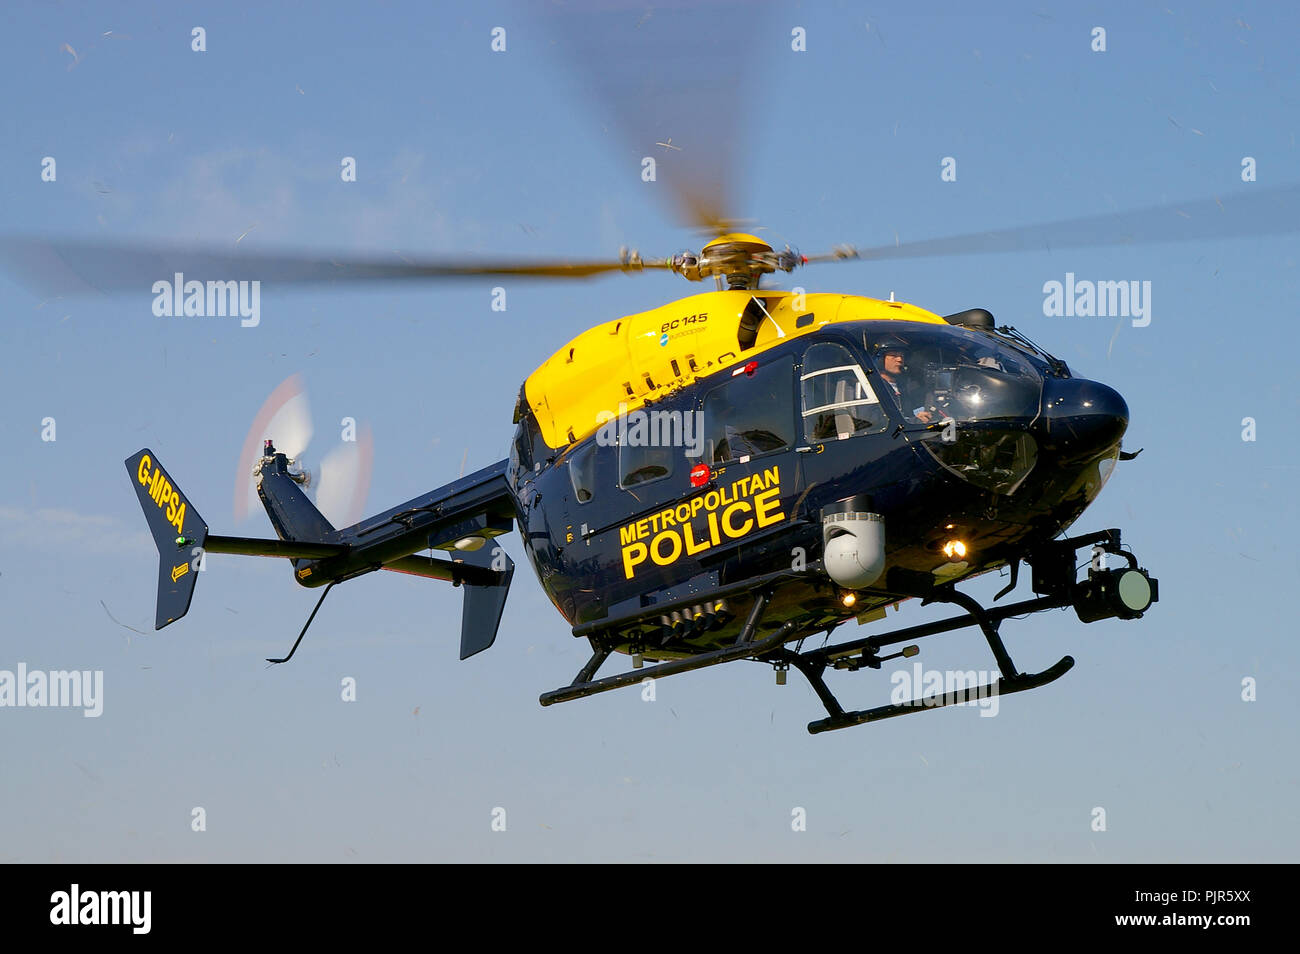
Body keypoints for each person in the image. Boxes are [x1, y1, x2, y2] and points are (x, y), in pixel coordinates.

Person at [877, 345, 934, 423]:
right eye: (894, 355)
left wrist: (921, 417)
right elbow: (874, 420)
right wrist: (913, 421)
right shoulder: (871, 387)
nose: (900, 359)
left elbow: (910, 412)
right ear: (880, 360)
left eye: (902, 356)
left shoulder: (904, 386)